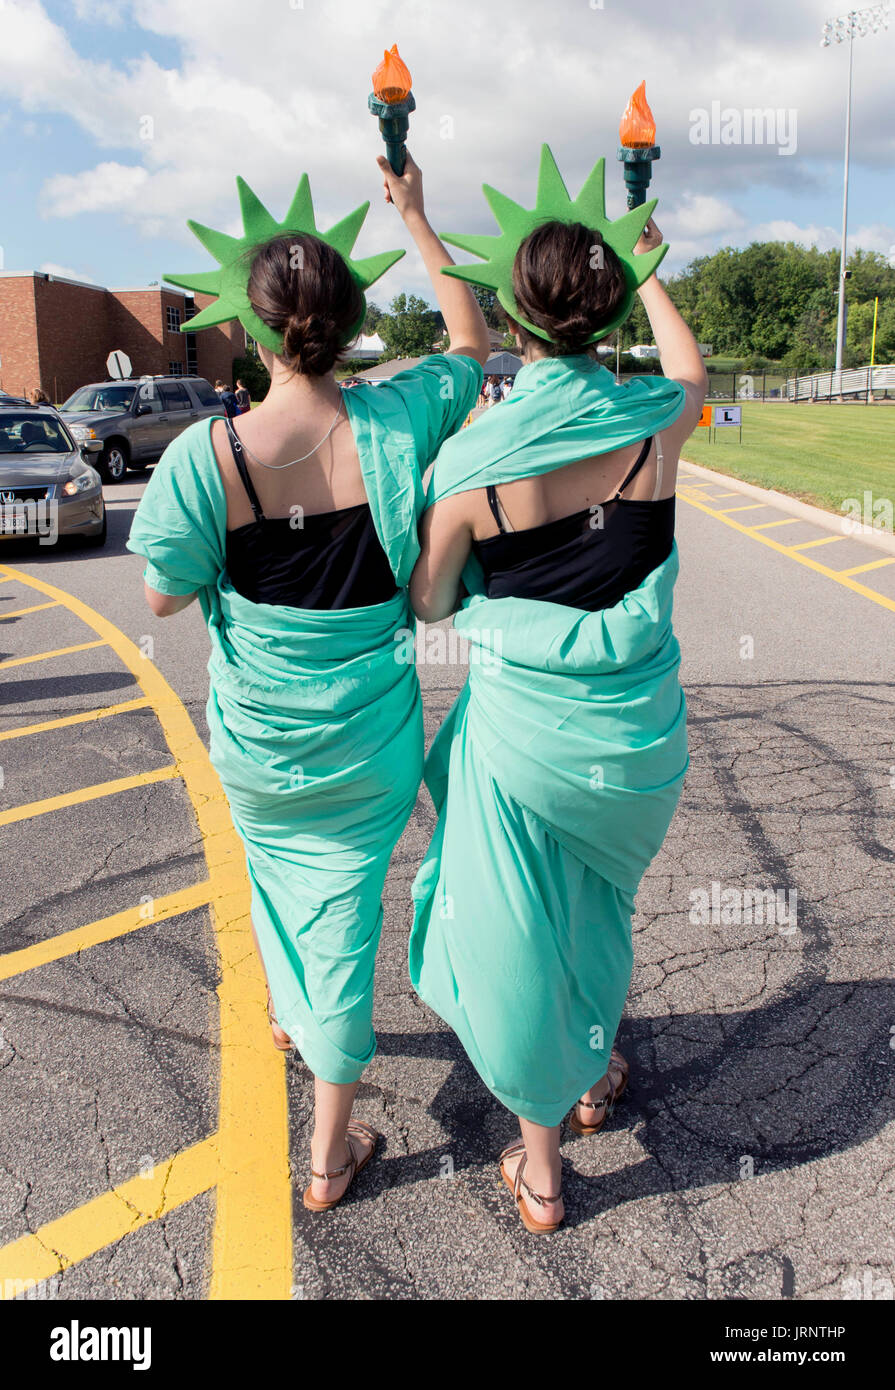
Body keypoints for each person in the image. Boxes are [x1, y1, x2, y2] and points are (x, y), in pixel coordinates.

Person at [127, 154, 489, 1212]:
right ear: (349, 320)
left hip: (257, 739)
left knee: (284, 886)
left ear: (250, 322)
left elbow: (159, 593)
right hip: (365, 737)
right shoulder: (401, 413)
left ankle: (325, 1149)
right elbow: (470, 344)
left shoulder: (208, 454)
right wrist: (417, 215)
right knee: (339, 909)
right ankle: (328, 1135)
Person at [407, 194, 706, 1233]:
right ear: (605, 307)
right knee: (597, 907)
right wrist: (648, 264)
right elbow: (691, 377)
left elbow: (433, 603)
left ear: (516, 318)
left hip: (522, 733)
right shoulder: (650, 426)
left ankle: (541, 1173)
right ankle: (592, 1072)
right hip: (633, 737)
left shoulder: (468, 464)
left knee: (527, 931)